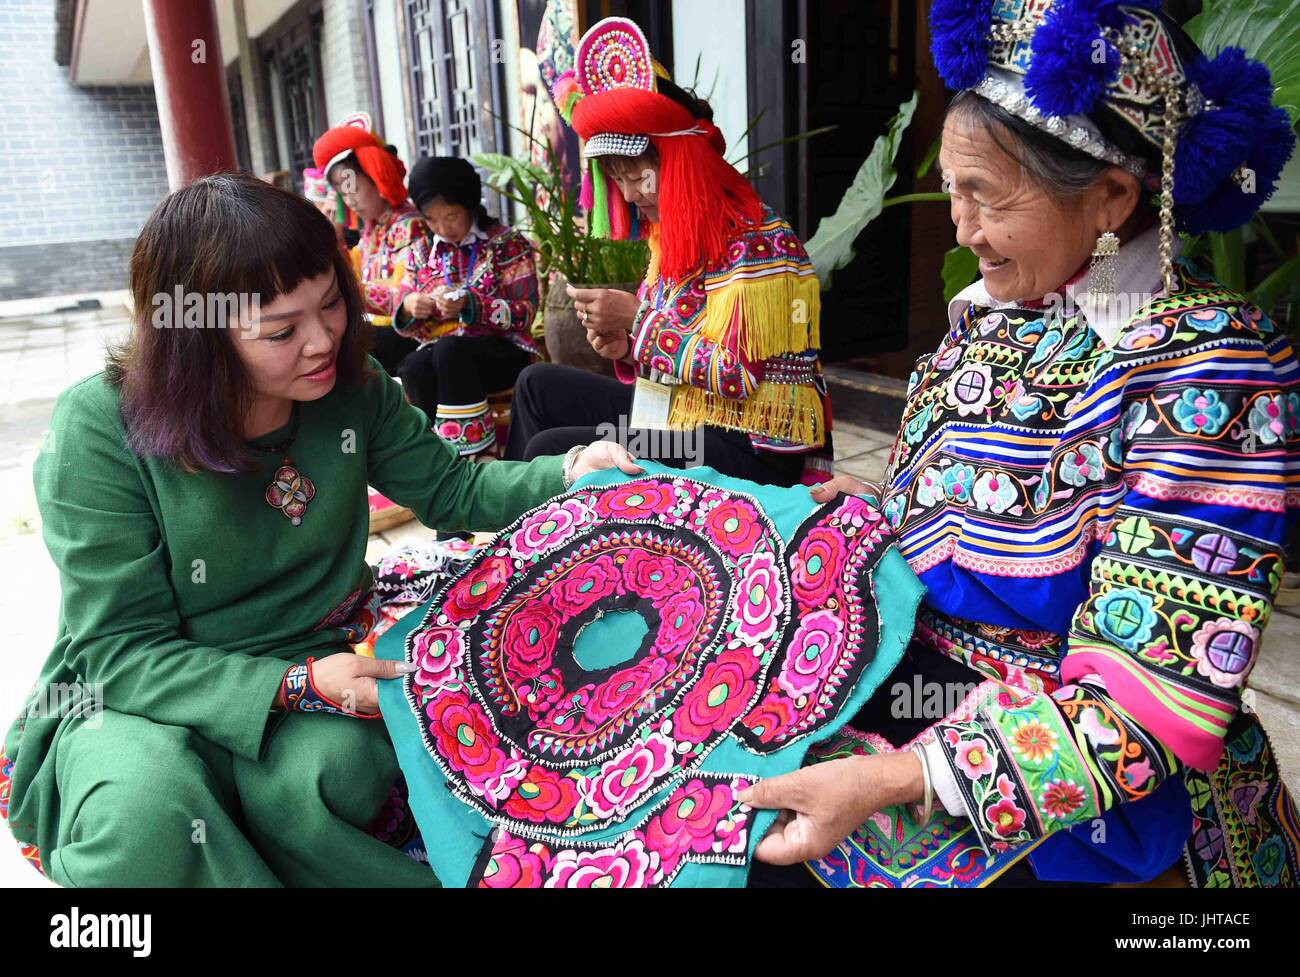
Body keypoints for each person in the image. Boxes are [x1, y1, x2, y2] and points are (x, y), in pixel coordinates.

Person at [743, 0, 1300, 887]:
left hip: (1097, 802)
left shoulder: (1209, 366)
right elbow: (952, 520)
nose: (961, 229)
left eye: (987, 198)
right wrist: (877, 518)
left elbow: (1153, 699)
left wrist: (900, 777)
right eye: (955, 191)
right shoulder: (993, 318)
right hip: (922, 695)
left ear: (1113, 195)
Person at [0, 173, 639, 887]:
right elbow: (118, 650)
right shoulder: (99, 428)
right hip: (135, 690)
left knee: (331, 776)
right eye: (281, 329)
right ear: (196, 337)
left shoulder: (351, 384)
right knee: (148, 815)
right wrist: (297, 684)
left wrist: (569, 468)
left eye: (332, 302)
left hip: (304, 650)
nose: (323, 339)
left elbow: (453, 488)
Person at [504, 16, 832, 488]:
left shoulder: (759, 240)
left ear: (681, 162)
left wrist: (637, 321)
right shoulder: (671, 236)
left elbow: (738, 373)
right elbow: (672, 343)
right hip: (683, 417)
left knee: (550, 449)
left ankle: (567, 545)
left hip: (742, 443)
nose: (630, 192)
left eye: (638, 174)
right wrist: (627, 348)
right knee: (536, 387)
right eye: (617, 178)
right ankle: (528, 541)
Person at [392, 157, 542, 457]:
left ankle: (475, 456)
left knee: (450, 351)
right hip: (442, 354)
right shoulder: (421, 252)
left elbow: (525, 312)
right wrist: (411, 308)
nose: (442, 228)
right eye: (432, 220)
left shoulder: (506, 244)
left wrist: (474, 305)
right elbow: (406, 316)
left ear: (470, 205)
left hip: (503, 351)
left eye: (451, 216)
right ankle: (437, 454)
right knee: (413, 366)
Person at [312, 112, 425, 376]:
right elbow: (353, 275)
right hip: (378, 328)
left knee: (339, 344)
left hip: (407, 330)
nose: (349, 201)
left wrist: (352, 293)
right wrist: (335, 241)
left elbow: (406, 298)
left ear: (377, 175)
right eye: (343, 193)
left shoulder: (410, 226)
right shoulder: (371, 230)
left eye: (353, 189)